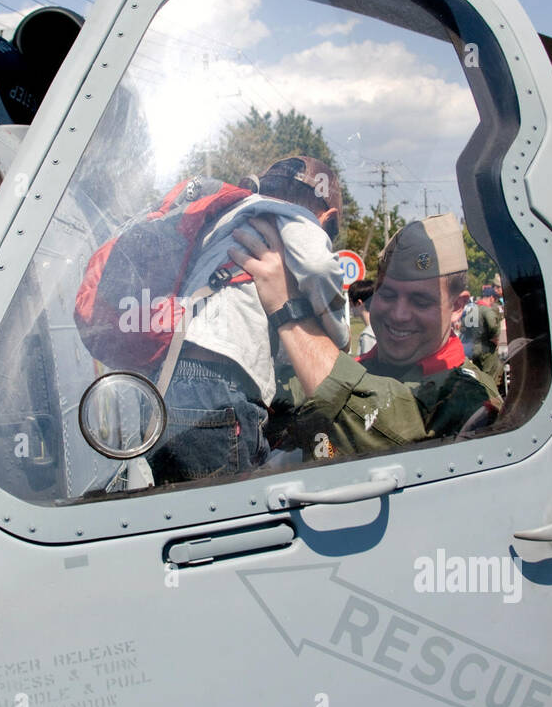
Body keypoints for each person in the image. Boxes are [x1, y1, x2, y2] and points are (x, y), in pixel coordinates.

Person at [229, 212, 501, 459]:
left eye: (420, 301)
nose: (399, 314)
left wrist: (288, 308)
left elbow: (369, 423)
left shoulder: (470, 396)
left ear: (456, 307)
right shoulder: (364, 367)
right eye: (388, 294)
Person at [147, 155, 347, 483]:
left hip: (169, 383)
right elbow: (318, 267)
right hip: (220, 389)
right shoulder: (297, 218)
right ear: (327, 217)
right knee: (232, 509)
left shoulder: (232, 216)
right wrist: (338, 334)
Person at [347, 279, 377, 356]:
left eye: (350, 301)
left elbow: (368, 366)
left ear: (359, 303)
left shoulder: (368, 335)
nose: (349, 306)